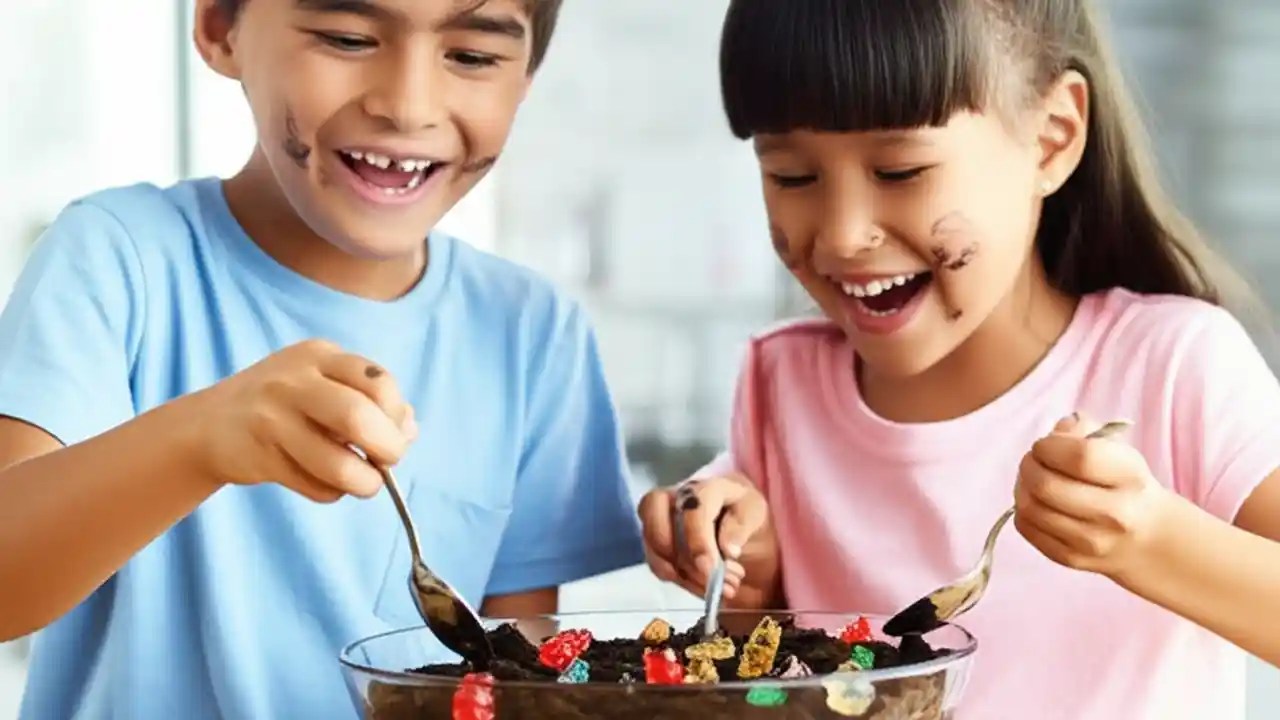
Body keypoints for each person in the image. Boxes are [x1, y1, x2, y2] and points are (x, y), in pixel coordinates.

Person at [0, 1, 645, 718]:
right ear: (219, 29)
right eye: (348, 38)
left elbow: (516, 669)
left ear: (526, 77)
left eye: (471, 56)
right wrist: (197, 441)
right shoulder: (117, 256)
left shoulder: (533, 332)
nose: (407, 106)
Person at [639, 1, 1280, 717]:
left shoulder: (1173, 365)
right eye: (791, 176)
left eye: (900, 170)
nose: (844, 235)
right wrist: (750, 584)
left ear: (1051, 140)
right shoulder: (780, 383)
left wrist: (1155, 542)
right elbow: (775, 688)